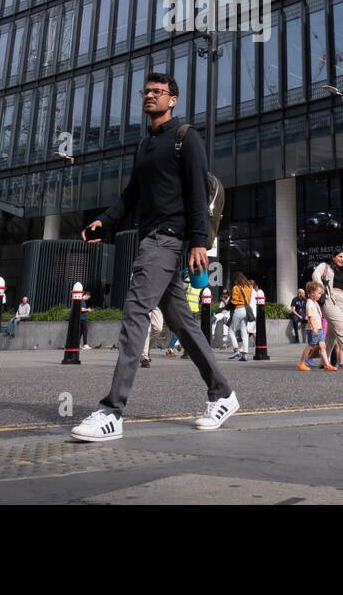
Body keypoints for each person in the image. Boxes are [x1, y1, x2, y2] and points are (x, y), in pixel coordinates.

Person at [71, 72, 237, 442]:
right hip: (151, 237)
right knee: (182, 322)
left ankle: (112, 411)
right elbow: (132, 195)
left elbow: (197, 192)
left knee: (135, 313)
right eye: (145, 92)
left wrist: (198, 242)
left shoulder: (185, 138)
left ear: (173, 99)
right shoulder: (146, 144)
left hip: (169, 238)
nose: (149, 96)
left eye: (158, 92)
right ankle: (223, 393)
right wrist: (104, 221)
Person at [313, 250, 343, 368]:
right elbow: (315, 275)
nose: (342, 259)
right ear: (333, 257)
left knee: (332, 335)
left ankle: (323, 361)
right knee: (341, 328)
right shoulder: (325, 266)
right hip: (330, 300)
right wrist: (322, 290)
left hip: (342, 303)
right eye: (340, 256)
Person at [296, 281, 335, 371]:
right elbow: (309, 318)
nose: (320, 295)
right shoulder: (309, 303)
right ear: (312, 293)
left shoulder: (315, 302)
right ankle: (301, 363)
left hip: (319, 328)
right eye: (318, 293)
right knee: (310, 346)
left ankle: (327, 364)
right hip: (313, 329)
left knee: (322, 346)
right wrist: (314, 329)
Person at [226, 272, 254, 360]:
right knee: (244, 332)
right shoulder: (248, 287)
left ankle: (236, 350)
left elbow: (234, 301)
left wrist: (227, 305)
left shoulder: (236, 288)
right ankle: (245, 354)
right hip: (246, 310)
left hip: (238, 309)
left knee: (230, 330)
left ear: (236, 279)